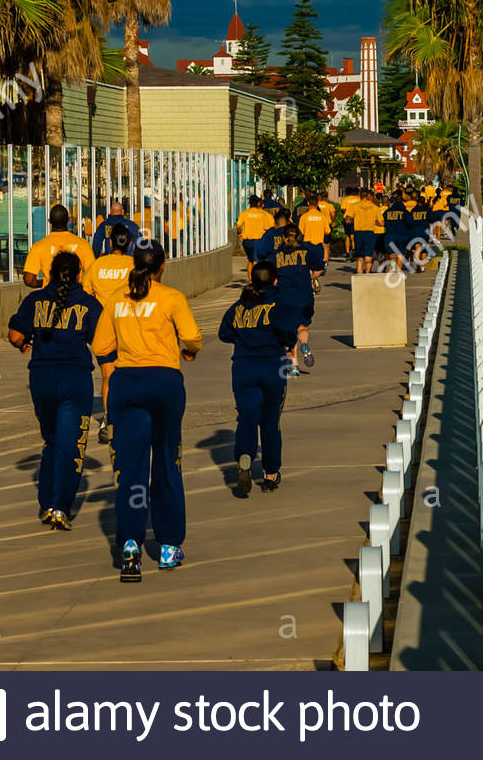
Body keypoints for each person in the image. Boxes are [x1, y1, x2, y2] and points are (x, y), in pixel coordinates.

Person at [90, 242, 202, 582]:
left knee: (130, 469)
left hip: (126, 386)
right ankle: (168, 546)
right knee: (168, 462)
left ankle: (129, 547)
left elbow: (100, 346)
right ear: (162, 266)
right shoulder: (171, 298)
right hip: (164, 383)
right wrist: (188, 351)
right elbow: (193, 338)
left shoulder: (117, 300)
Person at [8, 252, 104, 531]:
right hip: (74, 380)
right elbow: (104, 344)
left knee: (51, 442)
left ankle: (46, 502)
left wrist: (24, 345)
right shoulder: (88, 304)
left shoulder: (34, 301)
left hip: (42, 378)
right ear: (78, 275)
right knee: (72, 444)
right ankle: (60, 507)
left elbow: (15, 335)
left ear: (49, 274)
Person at [218, 261, 298, 496]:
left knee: (246, 419)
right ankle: (271, 472)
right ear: (275, 280)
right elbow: (288, 331)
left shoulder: (239, 306)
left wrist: (245, 339)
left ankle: (244, 457)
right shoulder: (279, 303)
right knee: (270, 422)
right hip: (272, 366)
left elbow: (225, 333)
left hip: (243, 368)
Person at [85, 223, 135, 445]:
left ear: (111, 242)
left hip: (103, 327)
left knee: (107, 374)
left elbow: (86, 292)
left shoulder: (97, 266)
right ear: (130, 244)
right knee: (130, 373)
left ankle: (108, 418)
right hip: (128, 326)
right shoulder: (134, 266)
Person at [269, 223, 324, 375]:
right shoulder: (306, 250)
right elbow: (319, 268)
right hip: (304, 295)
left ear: (283, 236)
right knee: (302, 326)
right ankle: (304, 345)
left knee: (288, 331)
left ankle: (294, 364)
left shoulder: (277, 254)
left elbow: (271, 275)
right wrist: (309, 277)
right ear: (299, 236)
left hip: (284, 296)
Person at [23, 204, 93, 288]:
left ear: (49, 221)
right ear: (68, 220)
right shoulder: (83, 244)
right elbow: (92, 275)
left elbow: (29, 280)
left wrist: (44, 284)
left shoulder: (38, 246)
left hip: (50, 296)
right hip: (75, 295)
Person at [235, 195, 274, 280]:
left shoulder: (245, 213)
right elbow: (269, 228)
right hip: (258, 240)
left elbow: (238, 225)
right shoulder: (263, 214)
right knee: (256, 261)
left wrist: (239, 234)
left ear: (249, 203)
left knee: (250, 260)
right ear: (258, 203)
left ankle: (250, 280)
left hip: (246, 241)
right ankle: (256, 281)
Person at [351, 189, 380, 274]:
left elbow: (347, 219)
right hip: (370, 233)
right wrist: (373, 221)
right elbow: (381, 223)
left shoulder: (354, 206)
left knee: (360, 258)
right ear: (368, 196)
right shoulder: (375, 207)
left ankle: (360, 277)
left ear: (360, 195)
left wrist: (355, 220)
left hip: (358, 233)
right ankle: (367, 274)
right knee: (368, 257)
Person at [383, 189, 410, 273]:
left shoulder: (388, 211)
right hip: (402, 235)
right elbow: (410, 222)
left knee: (391, 251)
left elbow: (383, 221)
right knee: (400, 253)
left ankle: (392, 264)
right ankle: (398, 271)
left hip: (390, 234)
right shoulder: (405, 212)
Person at [406, 189, 433, 272]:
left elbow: (409, 221)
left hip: (414, 231)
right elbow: (431, 219)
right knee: (424, 248)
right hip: (425, 231)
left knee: (416, 247)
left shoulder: (413, 211)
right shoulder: (427, 210)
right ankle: (423, 265)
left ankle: (417, 262)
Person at [340, 187, 361, 259]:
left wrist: (346, 214)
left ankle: (347, 252)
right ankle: (354, 251)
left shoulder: (346, 199)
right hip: (356, 219)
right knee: (354, 236)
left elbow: (343, 209)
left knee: (348, 236)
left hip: (347, 219)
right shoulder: (359, 199)